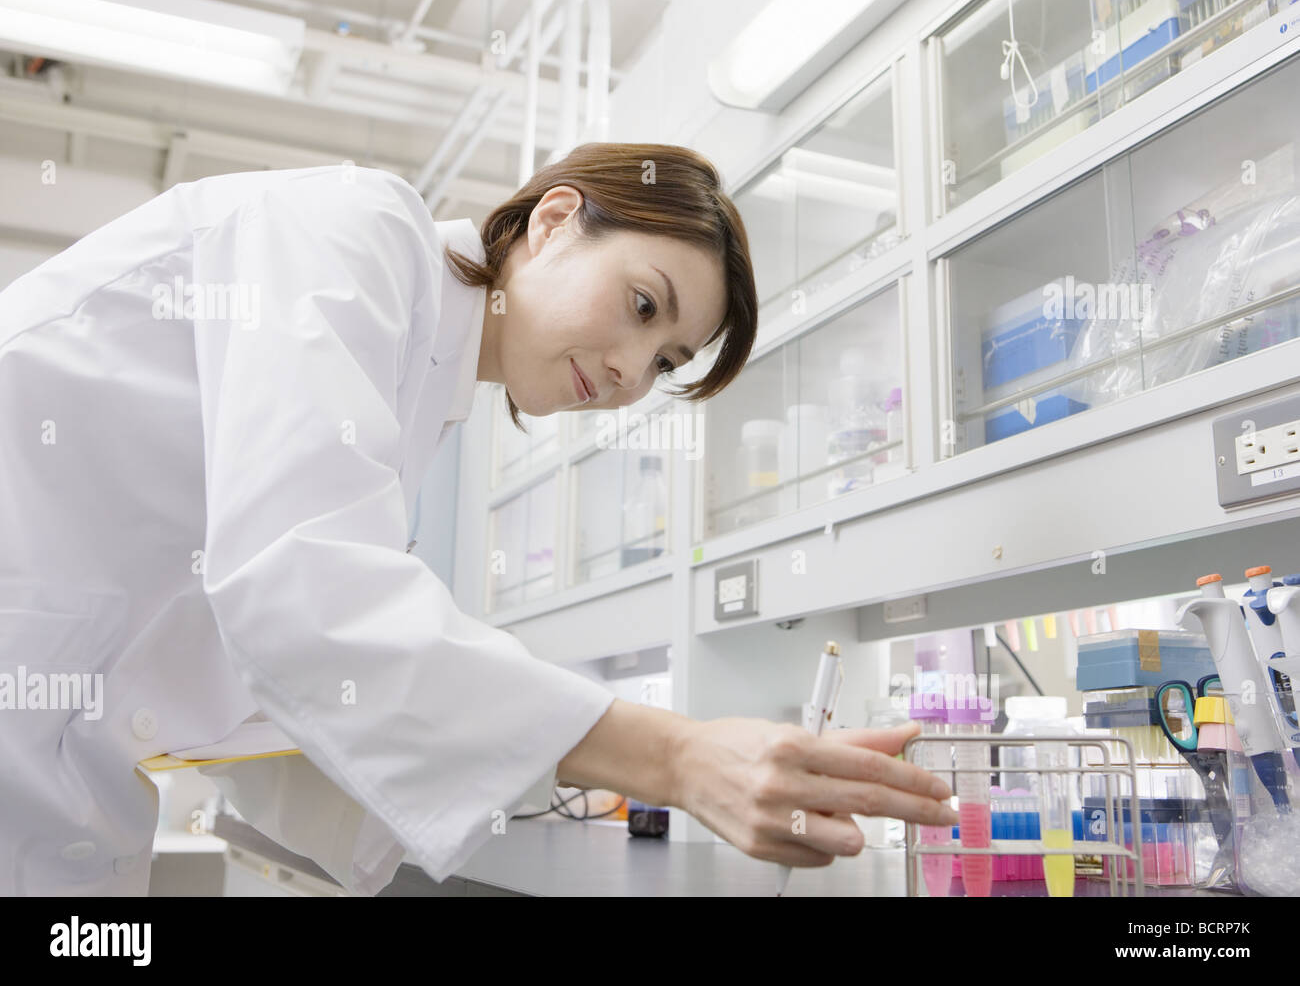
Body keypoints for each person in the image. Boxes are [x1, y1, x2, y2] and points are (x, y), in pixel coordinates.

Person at [0, 142, 955, 896]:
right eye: (640, 304)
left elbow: (270, 659)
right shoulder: (355, 232)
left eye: (666, 361)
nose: (630, 372)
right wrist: (678, 754)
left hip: (56, 759)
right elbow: (300, 591)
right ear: (554, 220)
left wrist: (540, 762)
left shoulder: (422, 382)